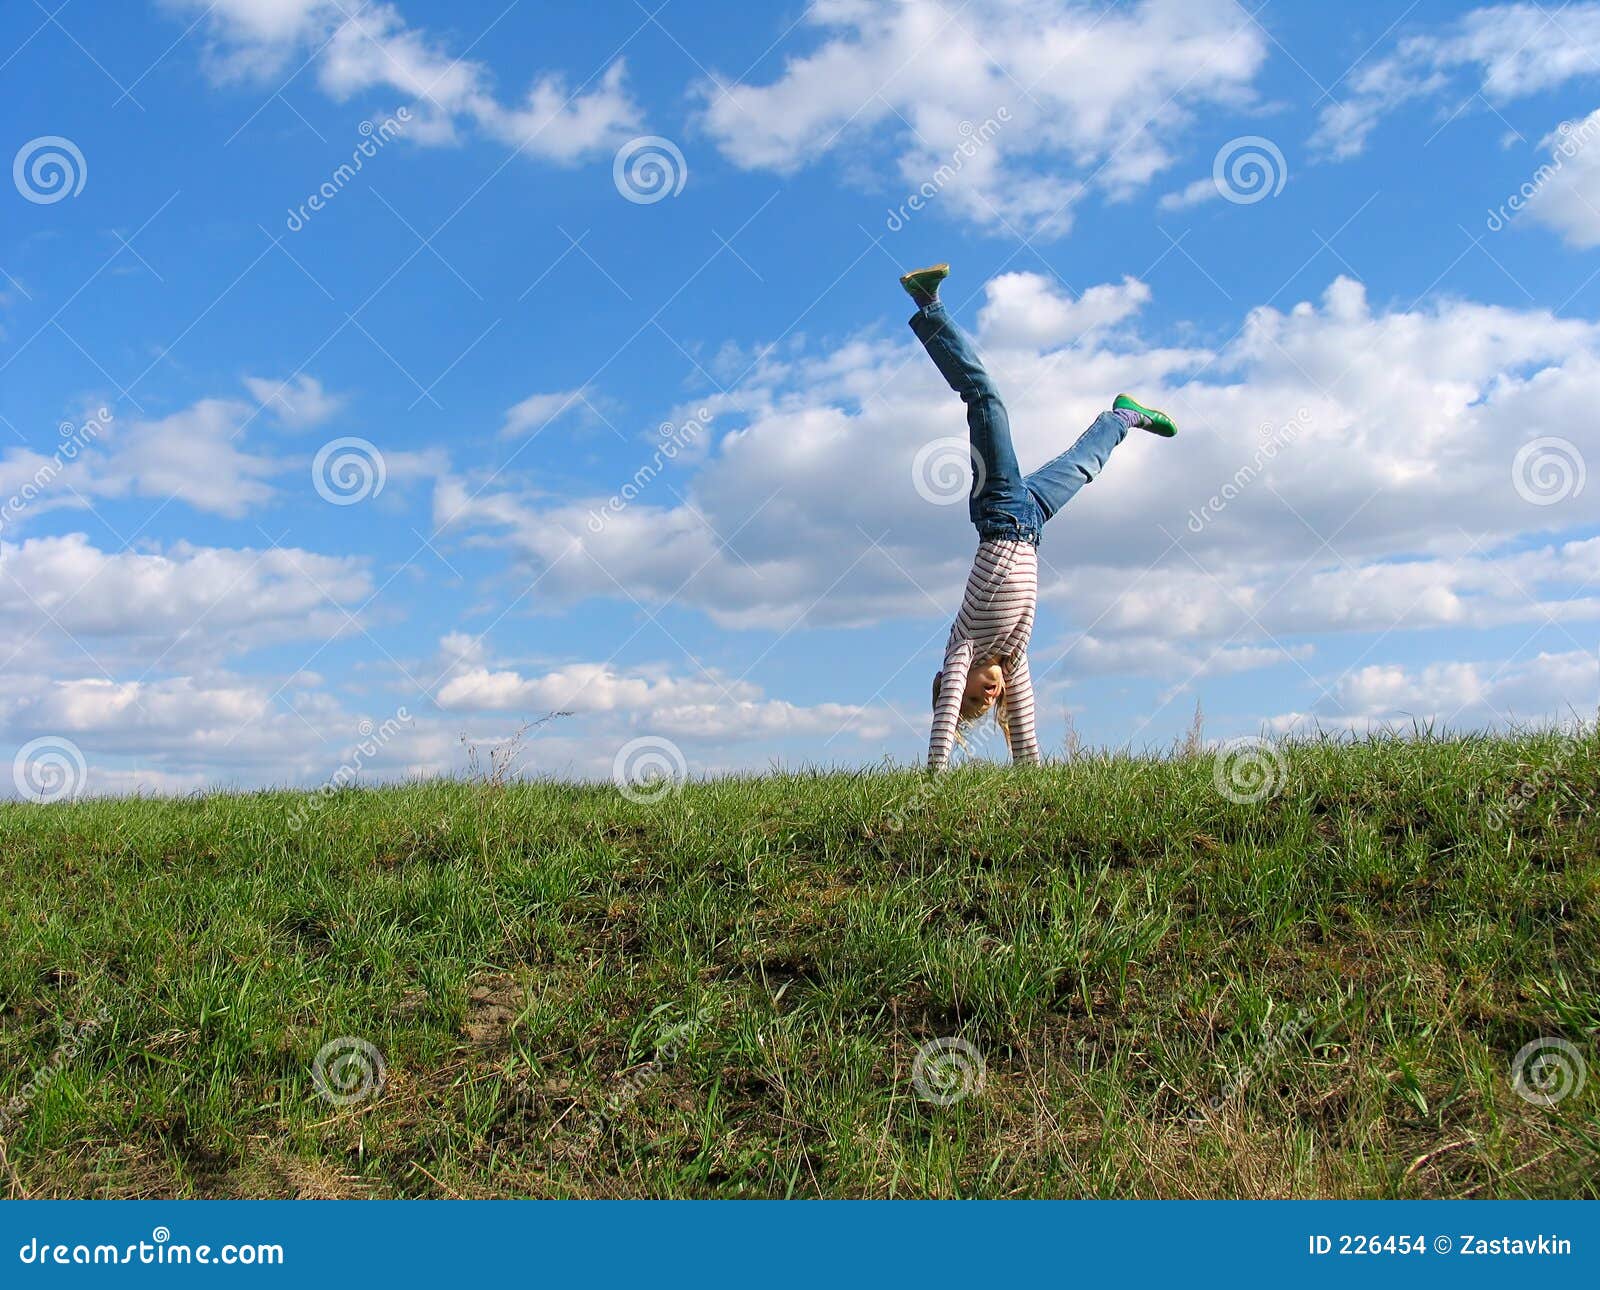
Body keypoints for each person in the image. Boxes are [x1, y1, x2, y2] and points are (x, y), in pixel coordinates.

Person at [903, 263, 1178, 771]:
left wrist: (934, 775)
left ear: (954, 684)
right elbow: (1025, 728)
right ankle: (1123, 416)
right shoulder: (1014, 653)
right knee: (1083, 465)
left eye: (972, 700)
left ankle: (927, 306)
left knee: (986, 398)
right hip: (1033, 523)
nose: (989, 698)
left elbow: (944, 723)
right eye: (987, 705)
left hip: (999, 511)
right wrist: (1032, 780)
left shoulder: (964, 647)